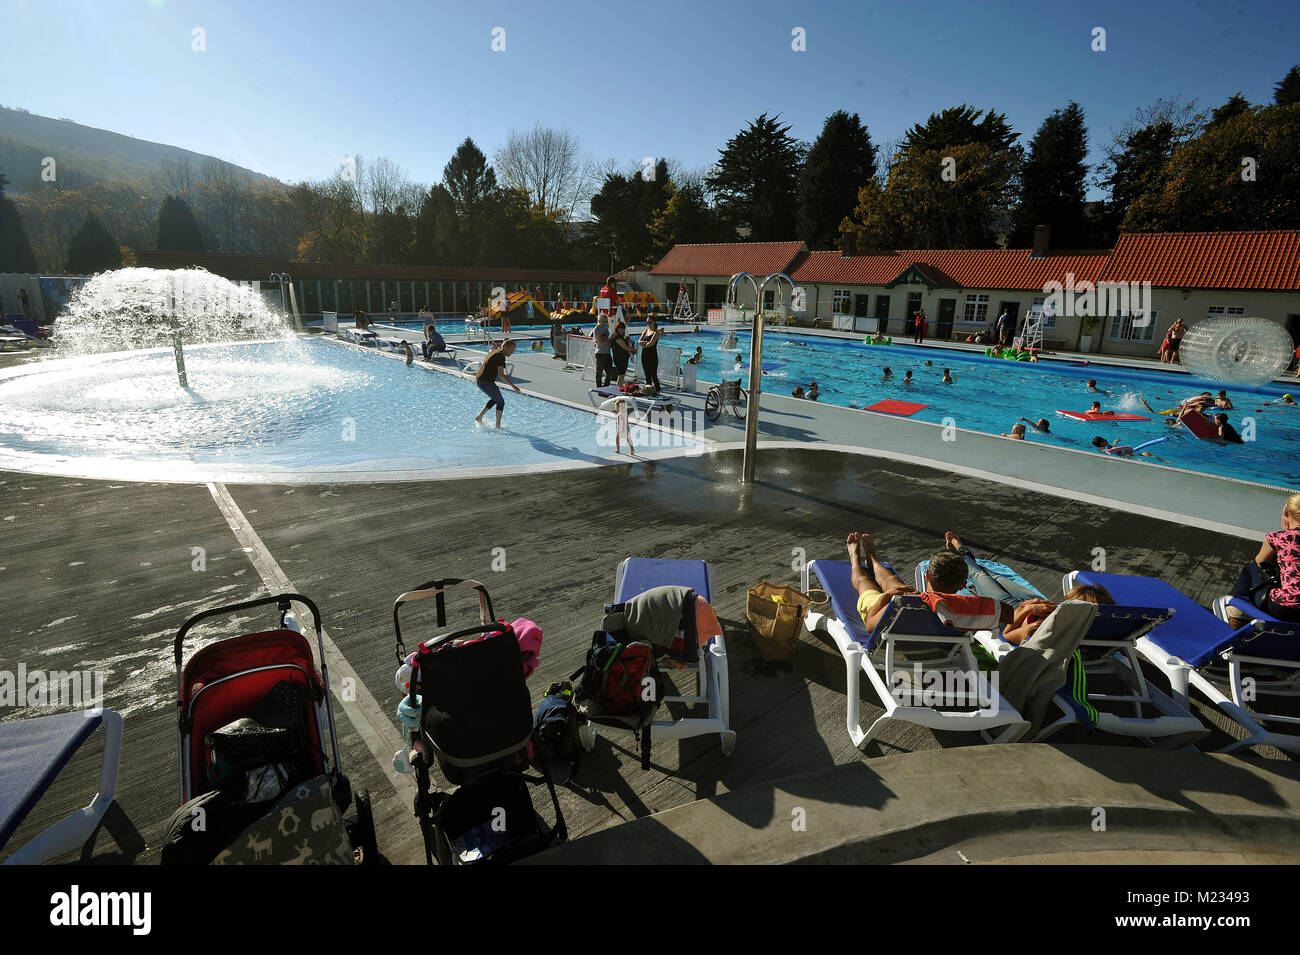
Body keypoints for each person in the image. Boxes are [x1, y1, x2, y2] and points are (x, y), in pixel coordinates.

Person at [844, 532, 1049, 637]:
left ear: (927, 576)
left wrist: (888, 597)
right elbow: (1006, 619)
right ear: (962, 585)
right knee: (892, 581)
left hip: (891, 612)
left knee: (864, 583)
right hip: (941, 646)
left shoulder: (904, 603)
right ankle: (872, 558)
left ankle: (855, 559)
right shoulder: (973, 610)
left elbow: (870, 625)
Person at [1227, 494, 1300, 625]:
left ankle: (1240, 609)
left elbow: (1260, 563)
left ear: (1286, 512)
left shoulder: (1278, 537)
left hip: (1284, 608)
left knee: (1251, 570)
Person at [474, 340, 521, 428]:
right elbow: (501, 374)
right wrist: (513, 386)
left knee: (496, 399)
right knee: (501, 402)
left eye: (513, 350)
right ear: (505, 347)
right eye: (511, 350)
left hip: (481, 380)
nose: (512, 352)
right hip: (485, 382)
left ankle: (479, 417)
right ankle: (497, 426)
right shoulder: (500, 356)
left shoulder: (495, 351)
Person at [638, 317, 662, 394]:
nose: (648, 324)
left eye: (650, 322)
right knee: (647, 375)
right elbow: (639, 342)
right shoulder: (645, 331)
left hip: (652, 356)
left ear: (654, 322)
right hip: (644, 355)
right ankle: (649, 391)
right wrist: (646, 343)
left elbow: (652, 343)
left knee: (653, 375)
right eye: (647, 322)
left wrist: (644, 345)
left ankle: (658, 391)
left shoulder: (656, 332)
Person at [611, 320, 636, 386]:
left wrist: (630, 342)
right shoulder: (617, 337)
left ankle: (619, 388)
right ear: (617, 328)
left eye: (623, 328)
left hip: (623, 358)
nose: (622, 330)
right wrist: (635, 350)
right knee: (621, 376)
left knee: (622, 376)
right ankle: (618, 389)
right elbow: (625, 347)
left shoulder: (622, 337)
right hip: (620, 359)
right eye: (620, 328)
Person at [592, 314, 614, 388]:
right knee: (599, 372)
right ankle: (599, 388)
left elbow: (607, 340)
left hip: (607, 352)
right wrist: (611, 339)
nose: (604, 323)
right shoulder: (597, 329)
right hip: (600, 353)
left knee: (609, 372)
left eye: (605, 321)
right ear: (598, 321)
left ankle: (605, 387)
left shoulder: (605, 328)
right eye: (602, 321)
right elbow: (601, 343)